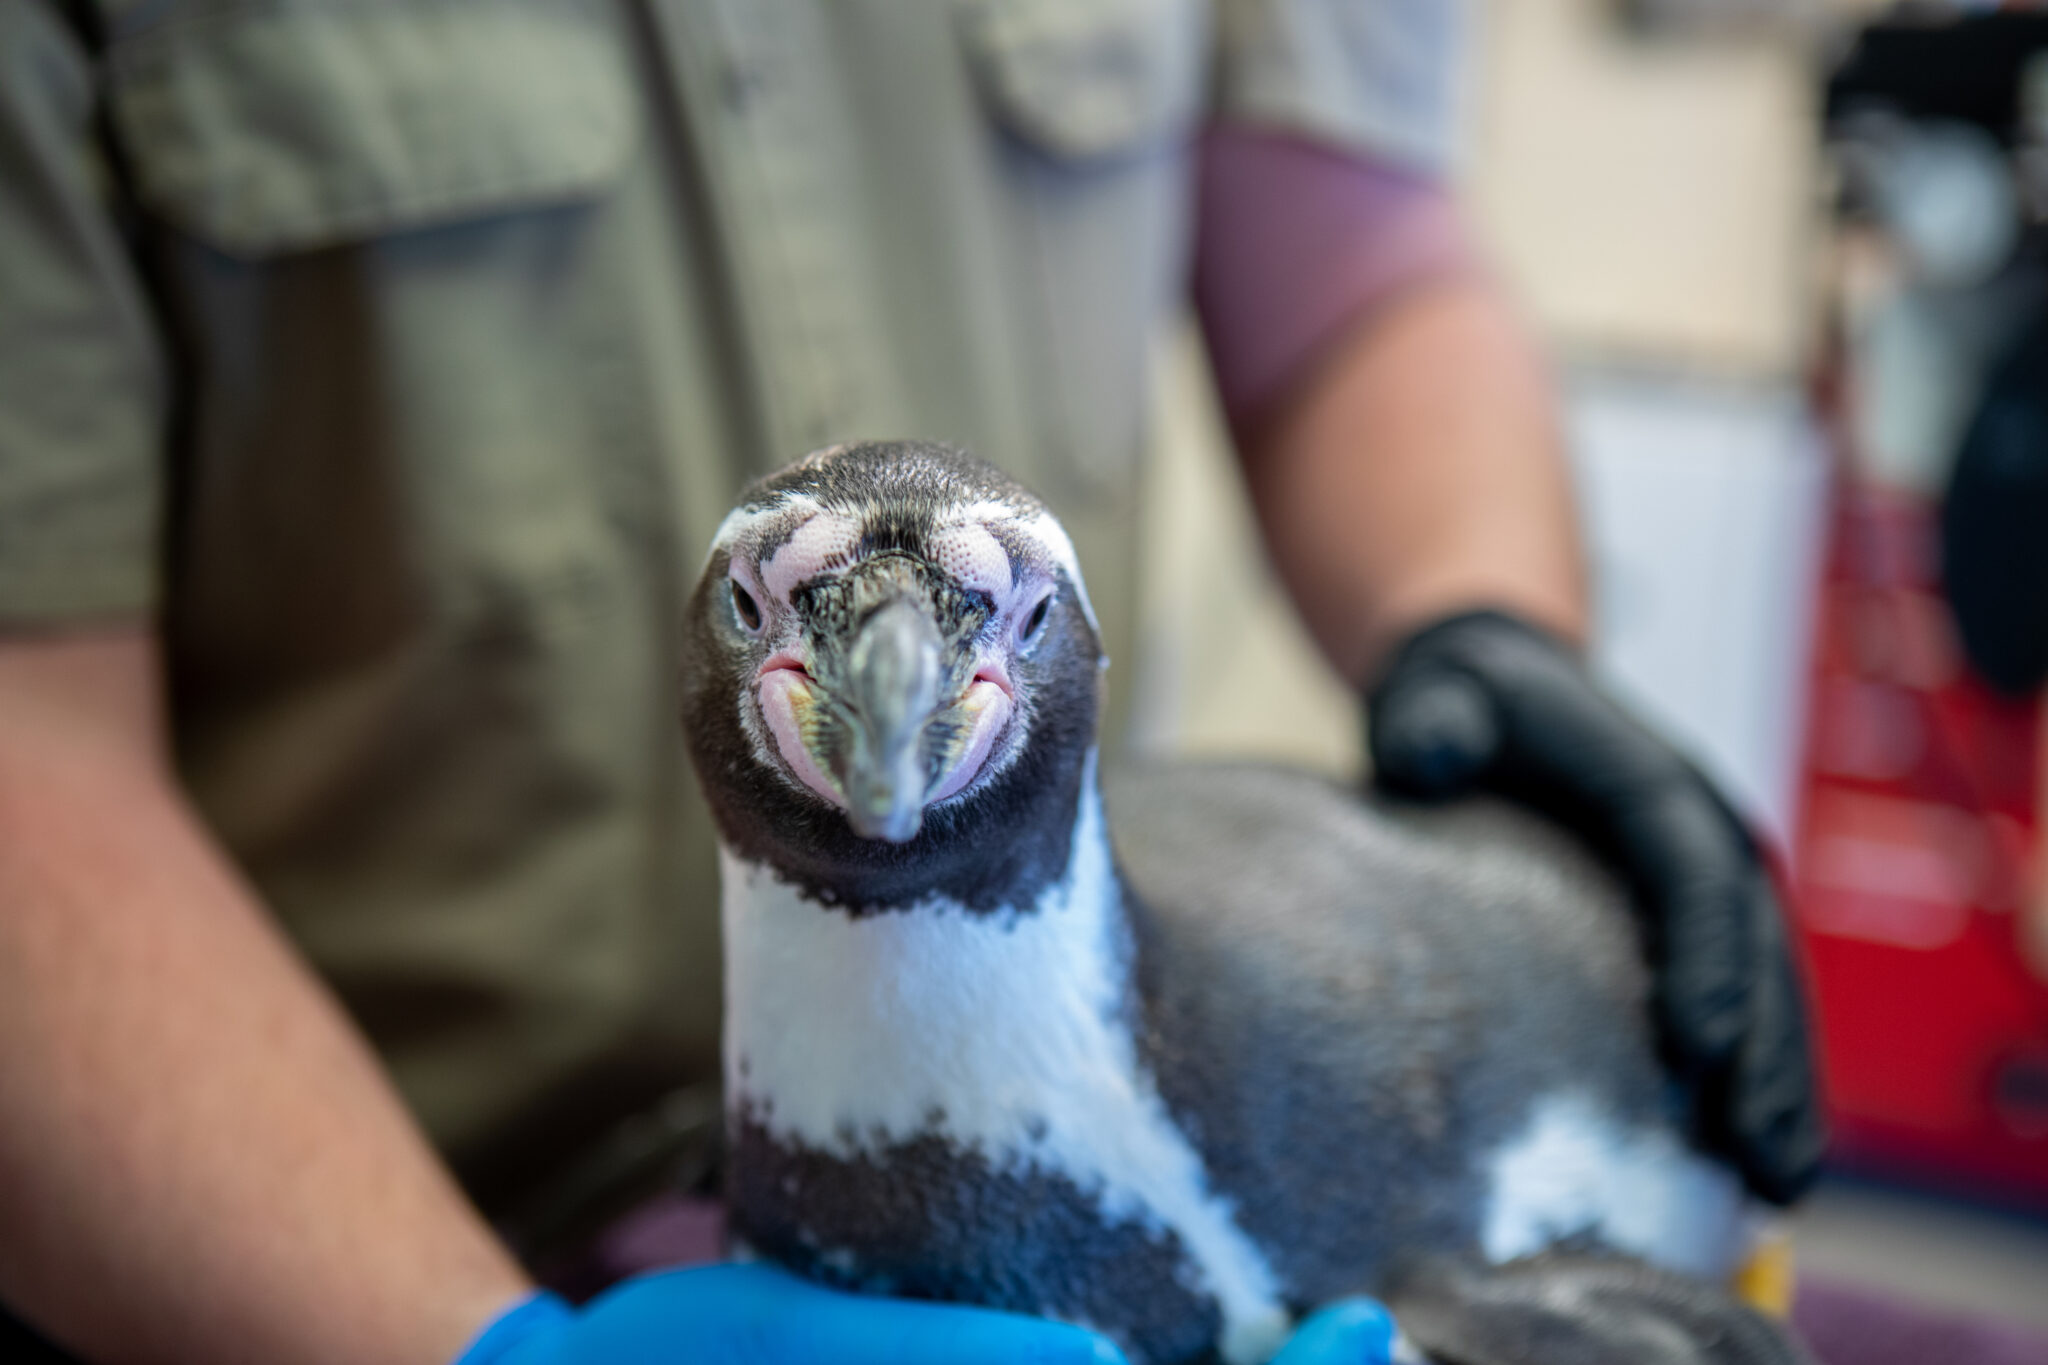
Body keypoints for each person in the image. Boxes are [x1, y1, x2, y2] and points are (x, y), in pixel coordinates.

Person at [0, 1, 1821, 1362]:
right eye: (785, 622)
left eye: (987, 618)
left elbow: (1352, 256)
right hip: (337, 1238)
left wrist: (1473, 628)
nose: (886, 680)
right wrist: (479, 1354)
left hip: (1131, 1005)